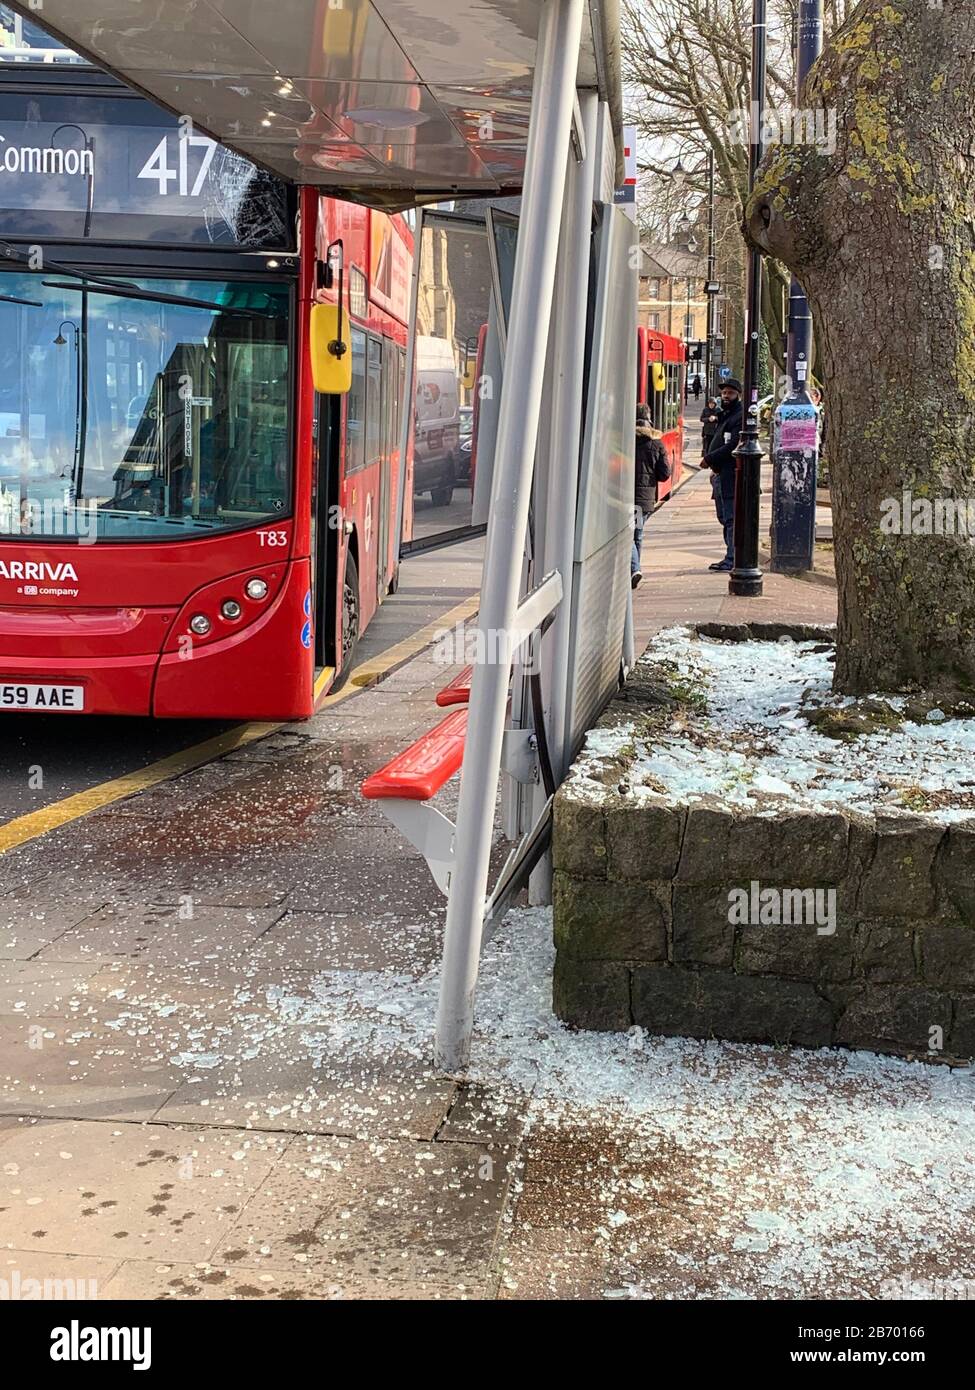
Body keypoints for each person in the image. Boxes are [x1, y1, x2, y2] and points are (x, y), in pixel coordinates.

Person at [700, 378, 743, 572]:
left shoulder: (738, 416)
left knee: (731, 518)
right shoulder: (724, 414)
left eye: (730, 393)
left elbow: (732, 445)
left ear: (738, 395)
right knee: (724, 517)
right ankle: (730, 555)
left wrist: (709, 458)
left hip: (730, 476)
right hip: (720, 475)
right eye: (724, 393)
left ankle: (732, 557)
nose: (726, 396)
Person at [633, 404, 671, 589]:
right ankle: (635, 568)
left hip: (625, 497)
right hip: (645, 499)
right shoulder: (657, 444)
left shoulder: (624, 439)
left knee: (629, 535)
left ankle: (634, 569)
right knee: (636, 535)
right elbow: (665, 474)